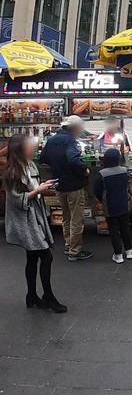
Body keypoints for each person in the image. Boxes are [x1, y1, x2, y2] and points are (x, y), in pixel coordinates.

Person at [3, 134, 66, 312]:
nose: (33, 147)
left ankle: (31, 296)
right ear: (20, 148)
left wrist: (43, 187)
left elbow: (33, 189)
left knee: (32, 258)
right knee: (46, 256)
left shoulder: (29, 165)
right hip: (25, 220)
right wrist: (39, 189)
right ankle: (49, 297)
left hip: (34, 217)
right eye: (28, 145)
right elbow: (16, 200)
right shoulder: (12, 171)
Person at [40, 115, 92, 261]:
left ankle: (69, 245)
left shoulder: (51, 140)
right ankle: (75, 252)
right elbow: (73, 160)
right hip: (74, 185)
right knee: (76, 218)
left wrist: (57, 167)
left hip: (59, 184)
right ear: (74, 129)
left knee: (66, 217)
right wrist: (84, 170)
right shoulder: (70, 140)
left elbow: (43, 158)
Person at [93, 148, 132, 265]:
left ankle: (118, 254)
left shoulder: (102, 173)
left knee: (114, 230)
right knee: (125, 227)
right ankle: (129, 251)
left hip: (110, 206)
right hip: (124, 205)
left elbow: (97, 190)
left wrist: (102, 200)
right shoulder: (124, 170)